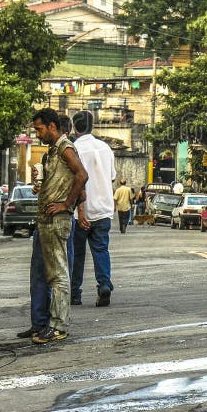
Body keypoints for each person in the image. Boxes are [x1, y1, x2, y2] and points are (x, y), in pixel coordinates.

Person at [29, 108, 87, 344]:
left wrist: (66, 204)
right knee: (50, 273)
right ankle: (49, 324)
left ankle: (58, 325)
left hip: (58, 220)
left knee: (58, 274)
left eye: (39, 129)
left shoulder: (65, 148)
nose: (37, 134)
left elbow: (82, 175)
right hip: (47, 220)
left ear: (52, 126)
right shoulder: (53, 152)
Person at [70, 109, 116, 308]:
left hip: (82, 210)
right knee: (101, 250)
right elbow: (112, 176)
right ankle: (104, 285)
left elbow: (76, 180)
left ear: (74, 127)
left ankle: (74, 293)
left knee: (77, 253)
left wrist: (80, 211)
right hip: (104, 208)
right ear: (92, 126)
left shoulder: (73, 149)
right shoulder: (105, 148)